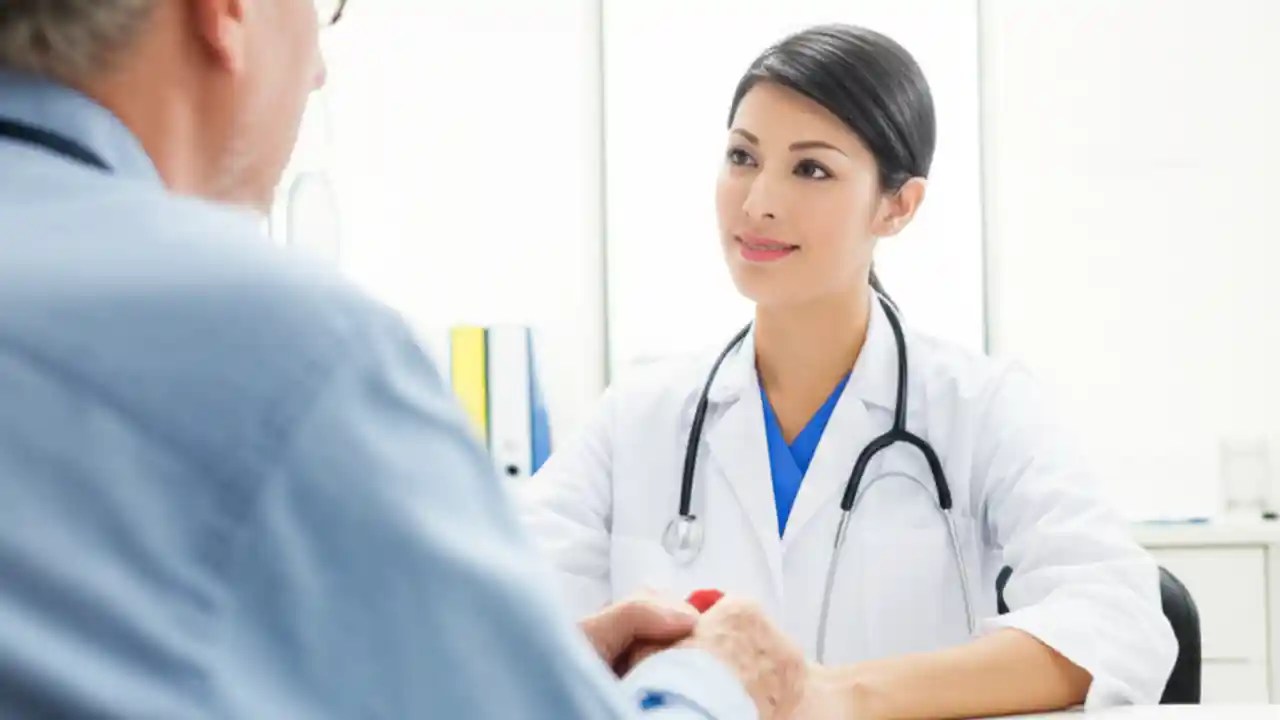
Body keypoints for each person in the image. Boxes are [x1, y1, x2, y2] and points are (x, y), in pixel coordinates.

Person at [0, 1, 810, 717]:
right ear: (226, 12)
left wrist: (509, 670)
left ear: (898, 203)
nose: (316, 71)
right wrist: (717, 684)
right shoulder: (286, 347)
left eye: (812, 168)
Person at [521, 23, 1179, 718]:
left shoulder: (980, 408)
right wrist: (594, 647)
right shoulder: (640, 416)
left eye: (811, 169)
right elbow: (486, 612)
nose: (758, 202)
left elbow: (1121, 617)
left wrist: (830, 693)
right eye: (743, 156)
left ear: (898, 205)